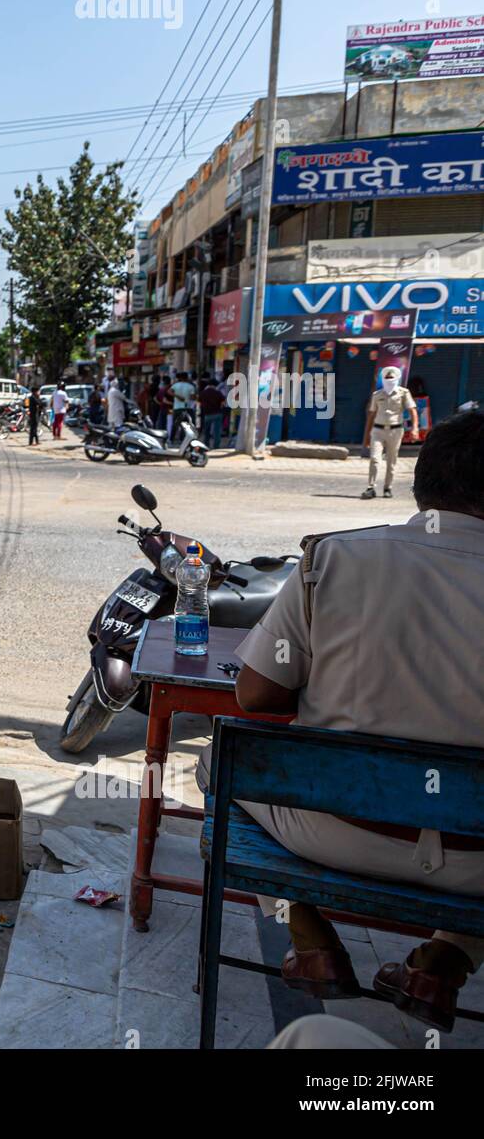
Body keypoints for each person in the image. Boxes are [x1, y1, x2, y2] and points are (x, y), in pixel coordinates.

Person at [229, 410, 484, 1031]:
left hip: (336, 831)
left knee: (222, 763)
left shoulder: (331, 561)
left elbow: (256, 697)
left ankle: (309, 933)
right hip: (479, 862)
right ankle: (445, 961)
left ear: (419, 483)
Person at [363, 366, 419, 500]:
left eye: (392, 378)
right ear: (383, 379)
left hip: (395, 430)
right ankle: (371, 487)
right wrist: (366, 436)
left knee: (391, 461)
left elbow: (413, 410)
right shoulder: (377, 395)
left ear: (397, 379)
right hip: (377, 430)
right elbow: (371, 415)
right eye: (387, 378)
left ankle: (388, 487)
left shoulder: (403, 393)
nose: (389, 380)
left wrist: (415, 428)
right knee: (375, 459)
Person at [169, 371, 197, 442]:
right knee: (186, 425)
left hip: (177, 408)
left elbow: (169, 391)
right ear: (187, 378)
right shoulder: (191, 386)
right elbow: (192, 397)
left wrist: (176, 396)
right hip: (187, 408)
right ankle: (183, 439)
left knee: (175, 424)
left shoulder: (175, 385)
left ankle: (171, 439)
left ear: (180, 378)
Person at [199, 377, 225, 449]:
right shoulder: (218, 393)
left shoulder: (203, 393)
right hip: (217, 413)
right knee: (217, 431)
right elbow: (223, 403)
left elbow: (199, 403)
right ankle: (216, 446)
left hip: (207, 414)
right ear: (215, 385)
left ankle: (206, 445)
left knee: (206, 431)